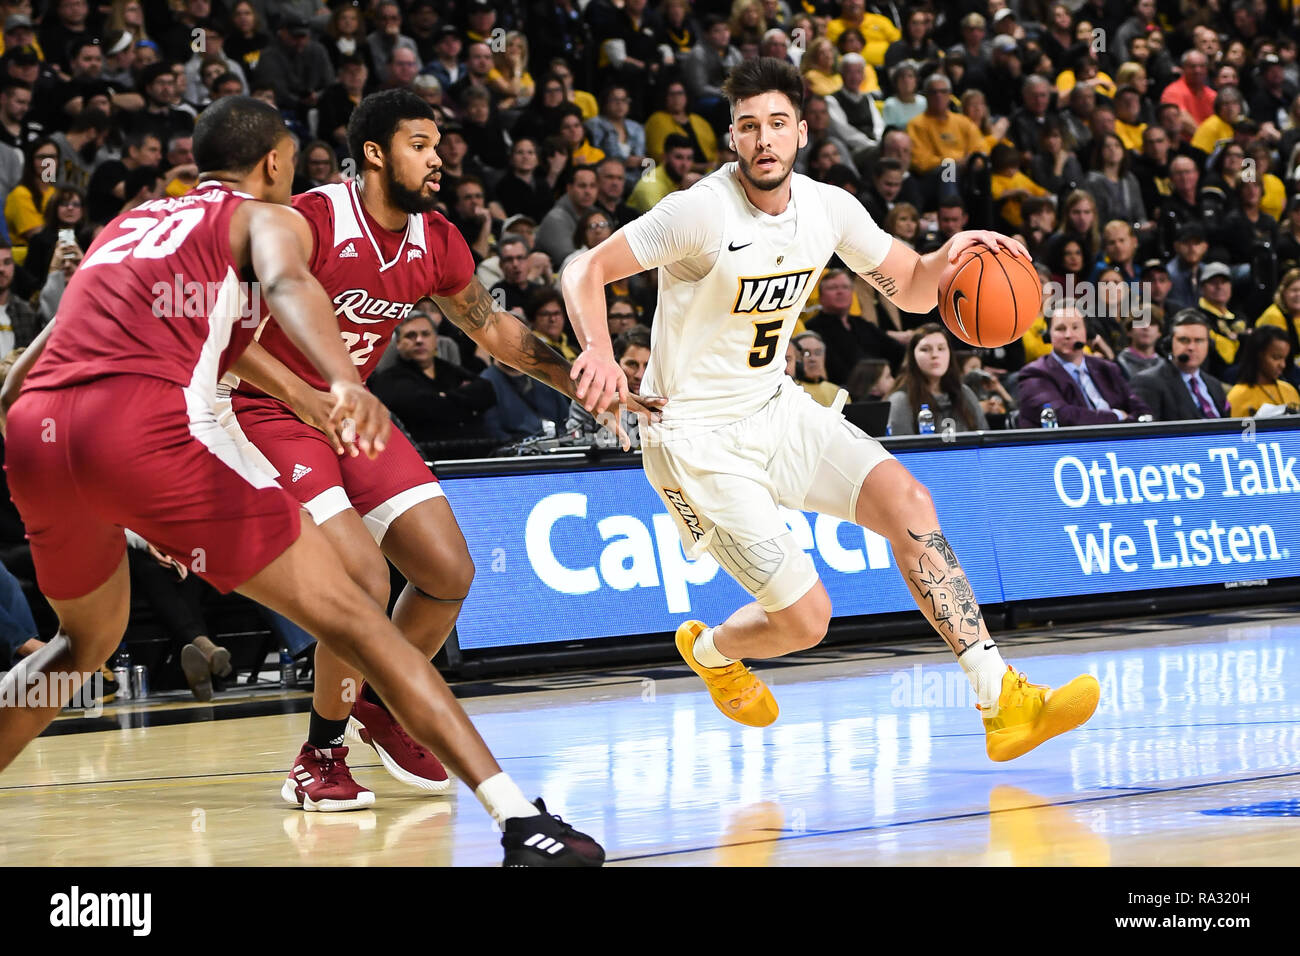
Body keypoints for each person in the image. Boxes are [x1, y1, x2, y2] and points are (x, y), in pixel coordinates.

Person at [0, 96, 603, 866]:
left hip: (40, 436)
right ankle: (514, 818)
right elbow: (287, 283)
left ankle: (378, 705)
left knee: (78, 645)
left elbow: (20, 381)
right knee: (358, 603)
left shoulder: (132, 224)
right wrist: (340, 379)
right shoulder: (276, 217)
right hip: (178, 425)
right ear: (275, 162)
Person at [559, 57, 1098, 760]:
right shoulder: (700, 212)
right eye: (749, 126)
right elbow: (585, 267)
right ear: (732, 137)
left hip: (775, 407)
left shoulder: (827, 207)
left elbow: (911, 287)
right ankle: (713, 650)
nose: (764, 140)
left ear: (803, 132)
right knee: (806, 622)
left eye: (777, 124)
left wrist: (953, 253)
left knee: (909, 502)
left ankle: (1001, 699)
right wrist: (599, 350)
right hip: (695, 441)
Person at [226, 90, 656, 814]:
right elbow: (222, 331)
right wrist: (301, 397)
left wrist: (586, 384)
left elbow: (495, 331)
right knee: (361, 580)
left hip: (345, 410)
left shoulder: (436, 239)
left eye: (438, 145)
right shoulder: (309, 220)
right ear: (373, 154)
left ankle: (382, 698)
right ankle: (319, 755)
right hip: (262, 407)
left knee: (447, 571)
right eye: (420, 145)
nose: (438, 159)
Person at [1016, 304, 1153, 426]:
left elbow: (1142, 411)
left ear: (1087, 332)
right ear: (1048, 335)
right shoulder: (1034, 374)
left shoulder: (1106, 368)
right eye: (1060, 329)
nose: (1068, 335)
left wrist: (1131, 421)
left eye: (1075, 327)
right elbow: (1064, 416)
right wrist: (1118, 416)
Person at [1129, 310, 1231, 421]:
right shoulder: (1148, 382)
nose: (1191, 347)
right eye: (1184, 340)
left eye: (1199, 340)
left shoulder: (1214, 385)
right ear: (1169, 344)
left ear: (1209, 345)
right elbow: (1147, 429)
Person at [886, 324, 987, 436]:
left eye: (941, 348)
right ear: (912, 356)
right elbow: (901, 445)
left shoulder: (965, 393)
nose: (935, 355)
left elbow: (986, 438)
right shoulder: (900, 400)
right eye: (925, 349)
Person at [1225, 326, 1300, 417]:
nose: (1282, 365)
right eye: (1276, 358)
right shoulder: (1237, 396)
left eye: (1285, 358)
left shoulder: (1289, 389)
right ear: (1257, 355)